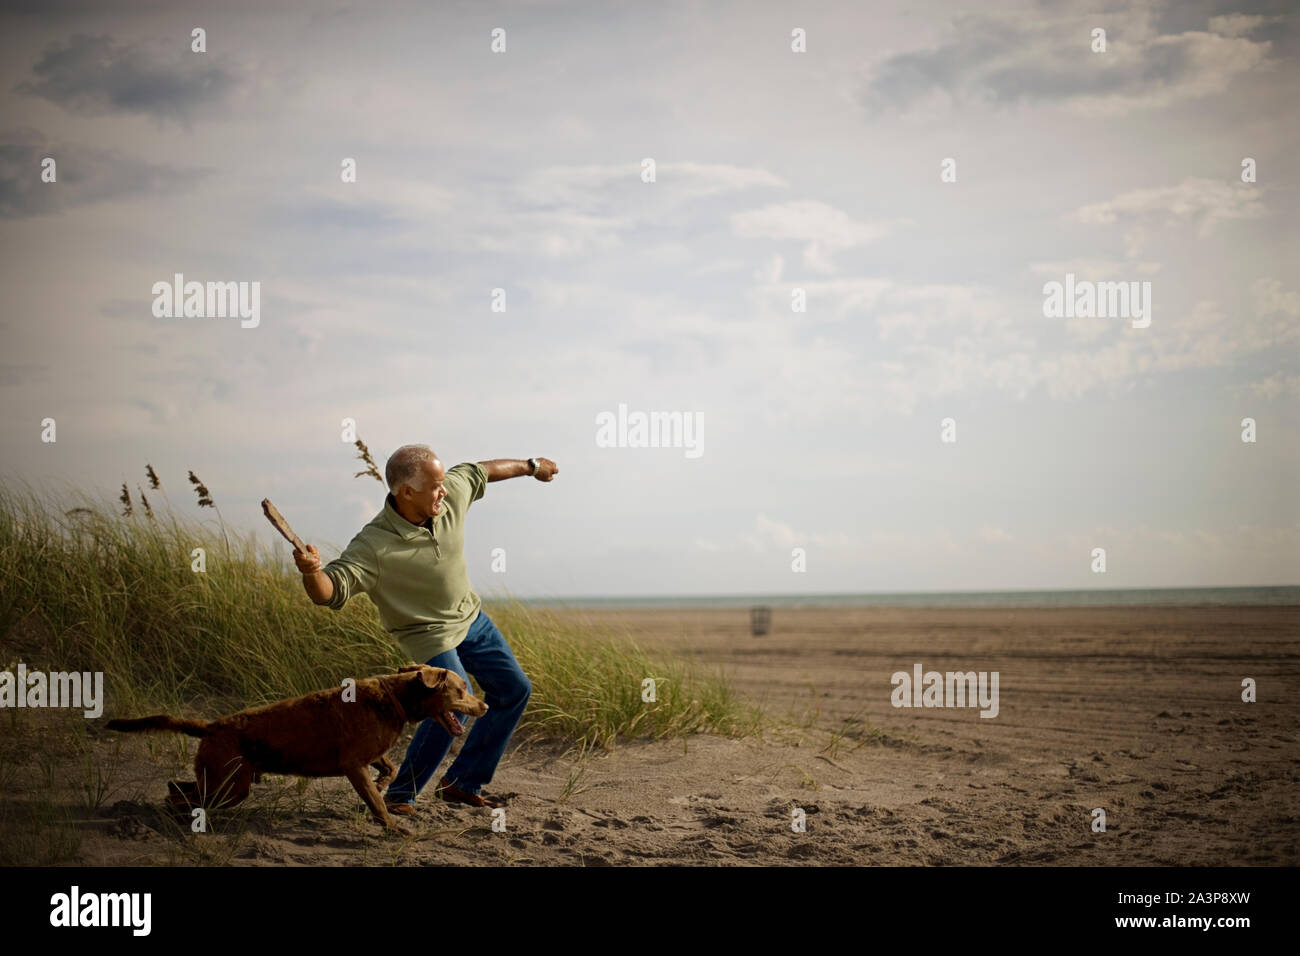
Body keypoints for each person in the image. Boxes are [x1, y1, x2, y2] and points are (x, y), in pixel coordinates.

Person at [293, 444, 558, 812]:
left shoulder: (449, 492)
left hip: (470, 616)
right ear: (406, 492)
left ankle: (462, 782)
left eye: (442, 482)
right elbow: (329, 592)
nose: (444, 490)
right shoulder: (374, 545)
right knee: (451, 701)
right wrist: (312, 573)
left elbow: (482, 470)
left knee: (514, 689)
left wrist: (531, 466)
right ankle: (402, 794)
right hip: (426, 632)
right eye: (434, 486)